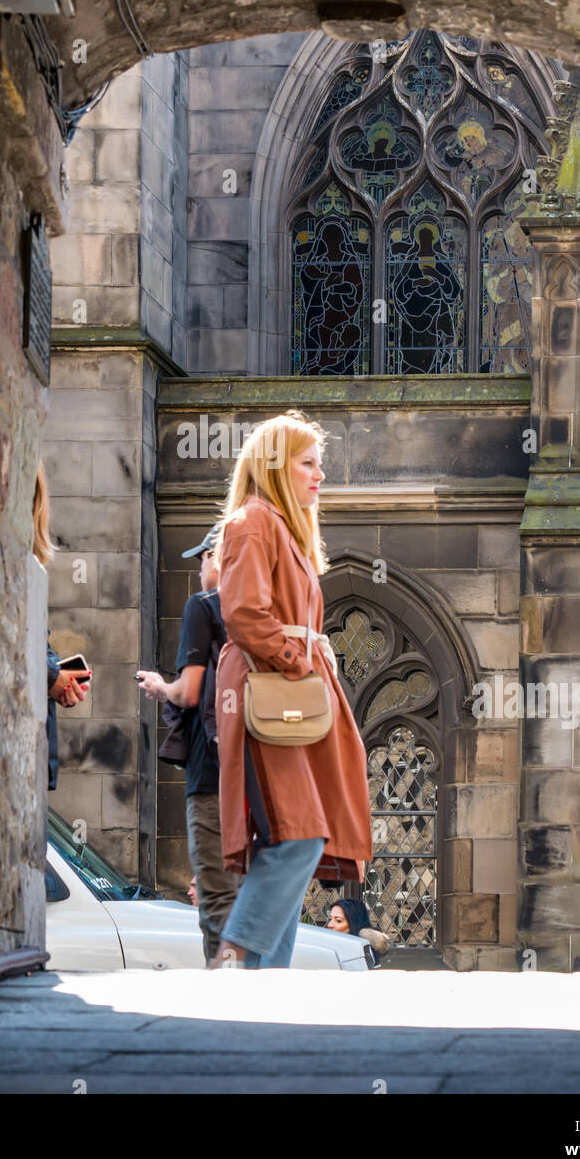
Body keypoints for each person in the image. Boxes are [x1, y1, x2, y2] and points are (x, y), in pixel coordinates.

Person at [209, 412, 372, 969]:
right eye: (309, 463)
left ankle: (261, 977)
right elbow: (245, 615)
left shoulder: (278, 527)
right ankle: (235, 955)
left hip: (285, 692)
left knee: (293, 840)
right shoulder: (253, 522)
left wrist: (300, 664)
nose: (320, 475)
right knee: (299, 835)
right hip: (269, 689)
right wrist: (297, 660)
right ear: (277, 465)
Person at [136, 528, 239, 962]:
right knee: (251, 891)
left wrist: (163, 688)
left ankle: (229, 994)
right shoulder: (264, 610)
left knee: (216, 895)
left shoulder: (204, 606)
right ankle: (263, 981)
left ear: (216, 557)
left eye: (201, 560)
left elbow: (192, 691)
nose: (199, 570)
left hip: (212, 773)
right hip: (258, 774)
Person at [32, 464, 92, 791]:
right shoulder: (13, 565)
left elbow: (36, 646)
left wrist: (57, 674)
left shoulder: (25, 568)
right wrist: (55, 677)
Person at [327, 898, 393, 968]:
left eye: (338, 921)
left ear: (354, 923)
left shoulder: (365, 955)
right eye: (330, 919)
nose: (330, 925)